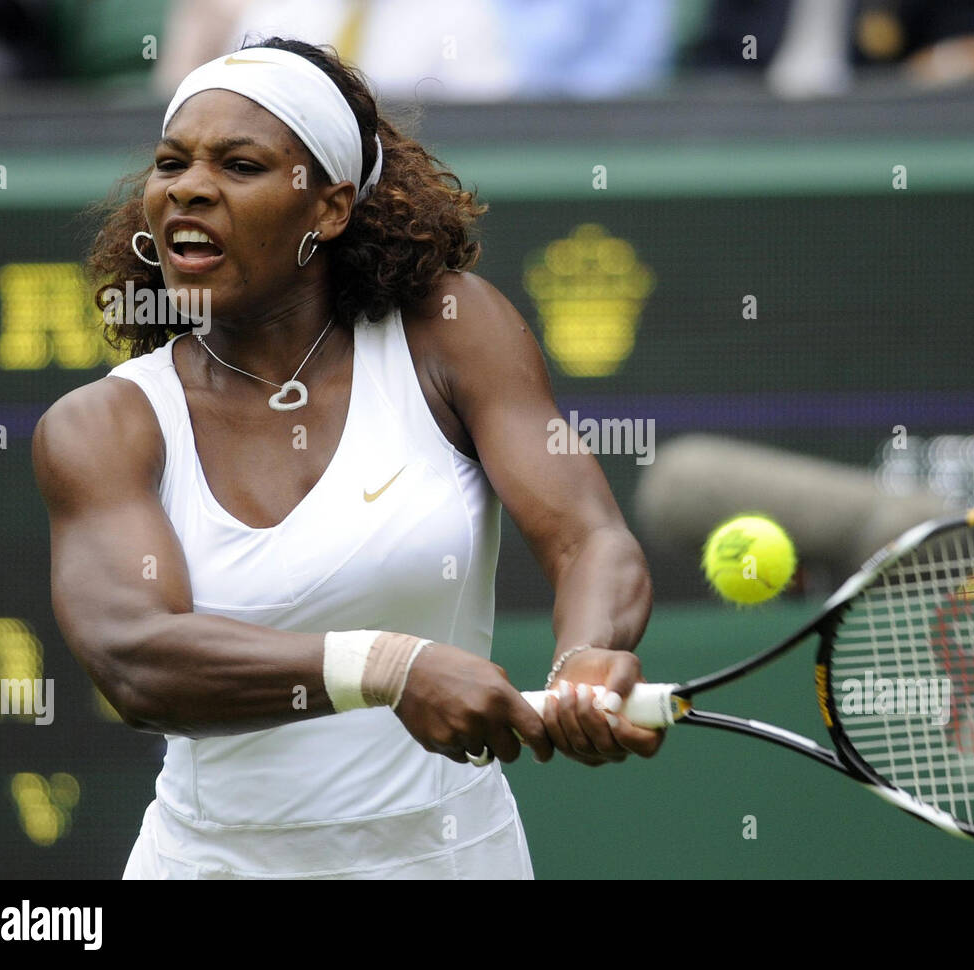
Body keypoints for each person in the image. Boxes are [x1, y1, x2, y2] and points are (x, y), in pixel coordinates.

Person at [32, 36, 662, 879]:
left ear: (327, 209)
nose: (187, 186)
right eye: (170, 162)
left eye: (239, 164)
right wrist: (387, 667)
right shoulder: (102, 424)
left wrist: (585, 653)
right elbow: (136, 660)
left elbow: (589, 538)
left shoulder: (453, 330)